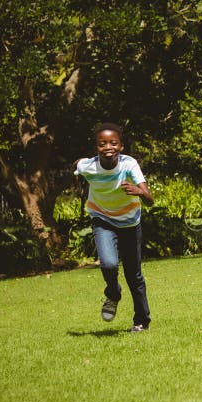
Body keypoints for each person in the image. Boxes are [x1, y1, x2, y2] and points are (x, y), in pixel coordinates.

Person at [73, 122, 154, 332]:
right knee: (109, 264)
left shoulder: (129, 164)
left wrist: (139, 191)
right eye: (102, 144)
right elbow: (78, 164)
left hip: (129, 222)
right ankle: (113, 293)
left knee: (133, 274)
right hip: (102, 219)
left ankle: (141, 321)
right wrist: (78, 169)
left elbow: (150, 200)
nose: (108, 147)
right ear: (96, 147)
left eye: (113, 143)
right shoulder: (89, 166)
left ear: (121, 146)